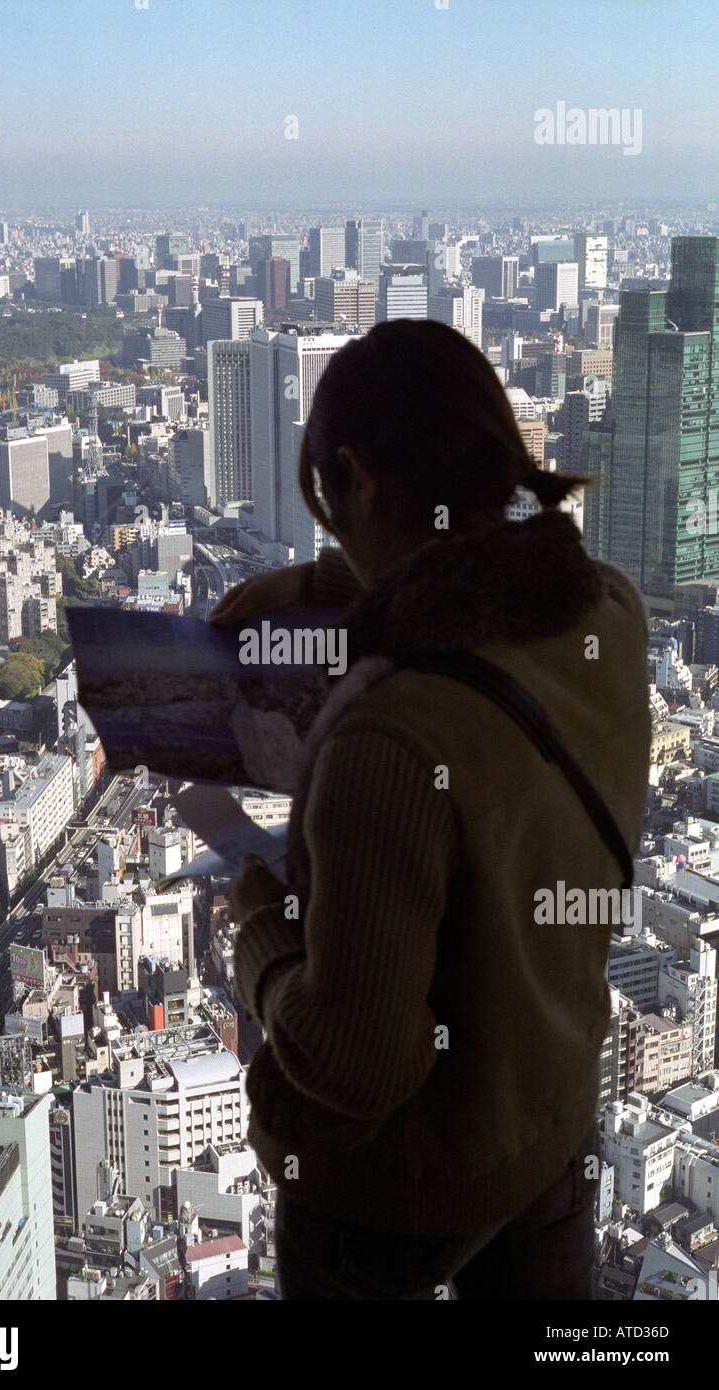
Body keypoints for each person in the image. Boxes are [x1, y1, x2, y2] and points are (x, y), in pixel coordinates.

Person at [210, 319, 651, 1300]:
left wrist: (259, 938)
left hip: (396, 1193)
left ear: (358, 479)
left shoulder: (391, 739)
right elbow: (476, 583)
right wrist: (324, 582)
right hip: (550, 1116)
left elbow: (358, 1061)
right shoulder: (608, 612)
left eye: (331, 505)